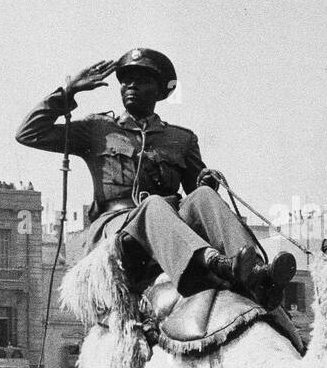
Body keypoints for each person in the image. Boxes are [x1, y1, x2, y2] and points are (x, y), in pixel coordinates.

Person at [16, 48, 296, 310]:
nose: (130, 86)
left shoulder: (180, 139)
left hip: (166, 229)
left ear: (160, 91)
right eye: (126, 82)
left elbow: (196, 197)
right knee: (153, 206)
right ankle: (213, 262)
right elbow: (29, 133)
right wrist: (69, 91)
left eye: (141, 81)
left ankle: (259, 275)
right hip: (117, 231)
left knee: (203, 197)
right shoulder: (96, 129)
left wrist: (206, 184)